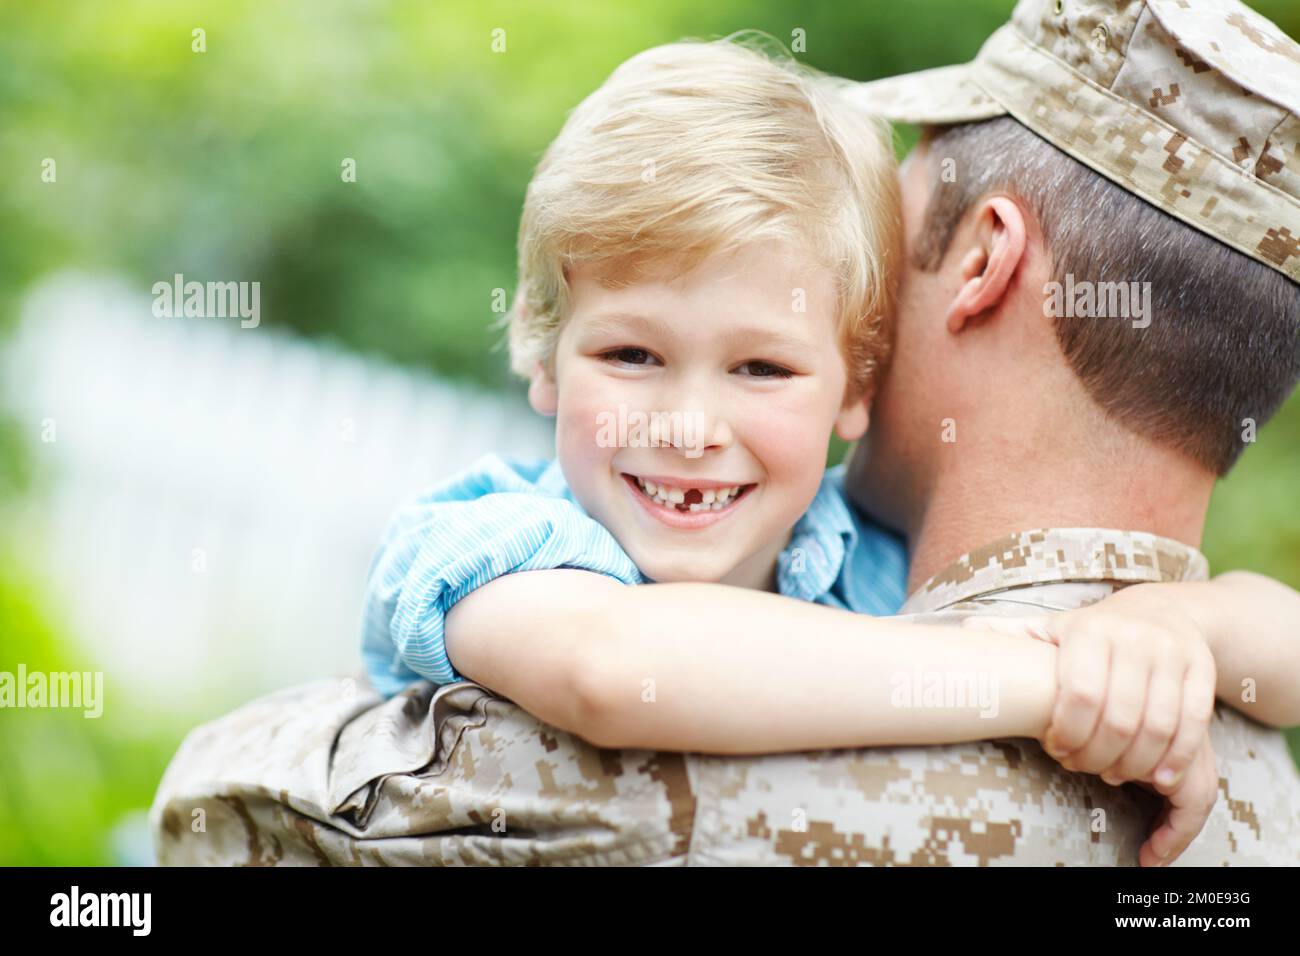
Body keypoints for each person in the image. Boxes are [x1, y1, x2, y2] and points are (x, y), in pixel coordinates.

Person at [152, 0, 1300, 866]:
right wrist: (1066, 668)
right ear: (542, 353)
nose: (691, 424)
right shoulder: (498, 541)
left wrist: (1164, 627)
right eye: (632, 353)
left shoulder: (852, 555)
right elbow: (611, 667)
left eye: (760, 365)